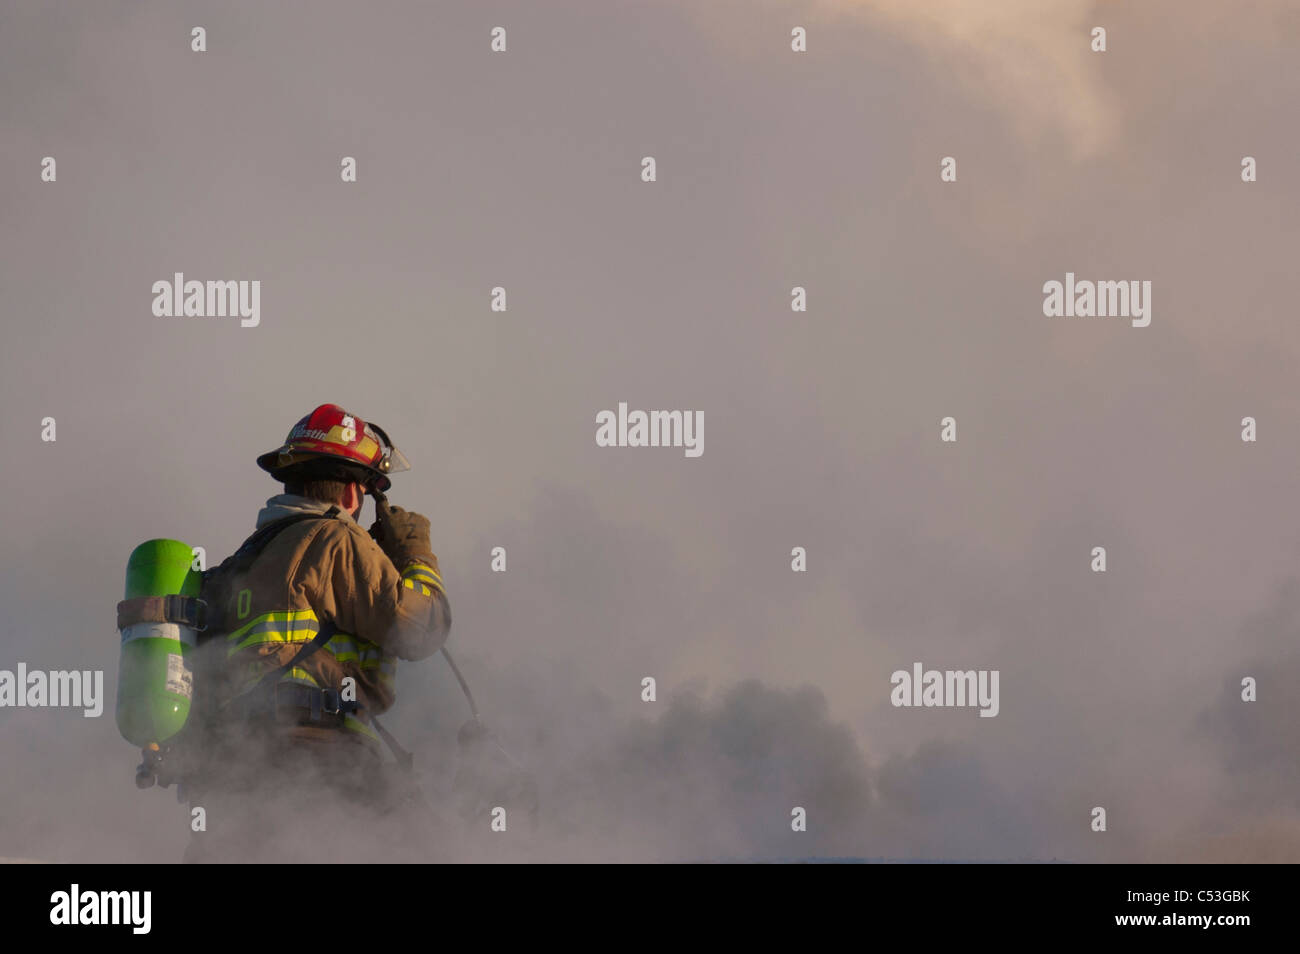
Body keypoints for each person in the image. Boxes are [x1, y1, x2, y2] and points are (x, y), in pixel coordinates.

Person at [180, 403, 452, 862]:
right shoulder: (335, 540)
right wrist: (415, 558)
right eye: (365, 492)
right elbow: (420, 630)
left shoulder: (234, 568)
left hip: (237, 775)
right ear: (351, 493)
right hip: (321, 759)